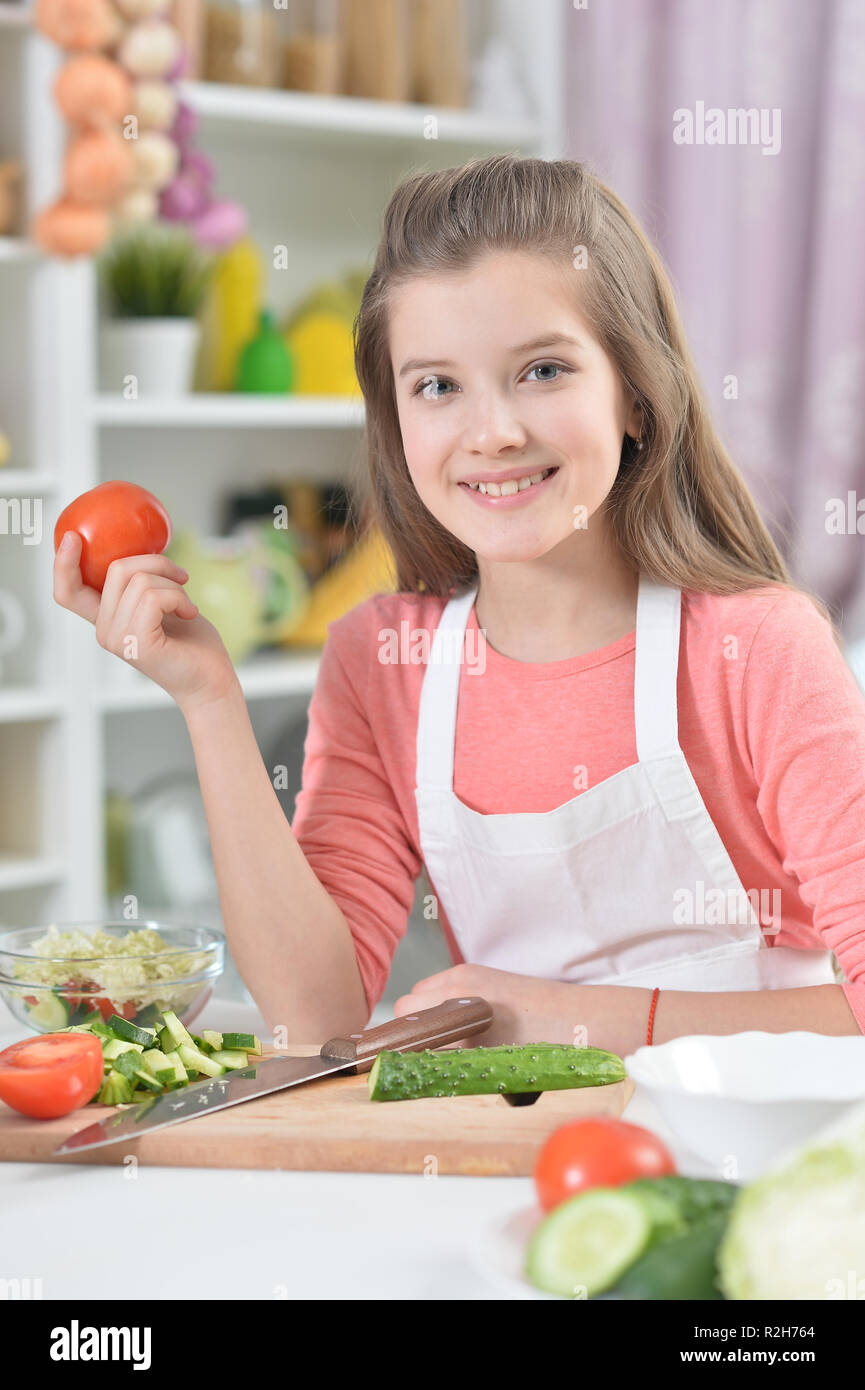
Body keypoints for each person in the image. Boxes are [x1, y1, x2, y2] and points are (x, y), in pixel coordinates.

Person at [54, 155, 865, 1055]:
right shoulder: (380, 663)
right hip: (502, 1165)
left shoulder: (755, 649)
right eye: (437, 386)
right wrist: (209, 700)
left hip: (748, 1172)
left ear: (636, 394)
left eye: (544, 370)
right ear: (396, 424)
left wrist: (587, 1024)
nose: (494, 432)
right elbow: (310, 1020)